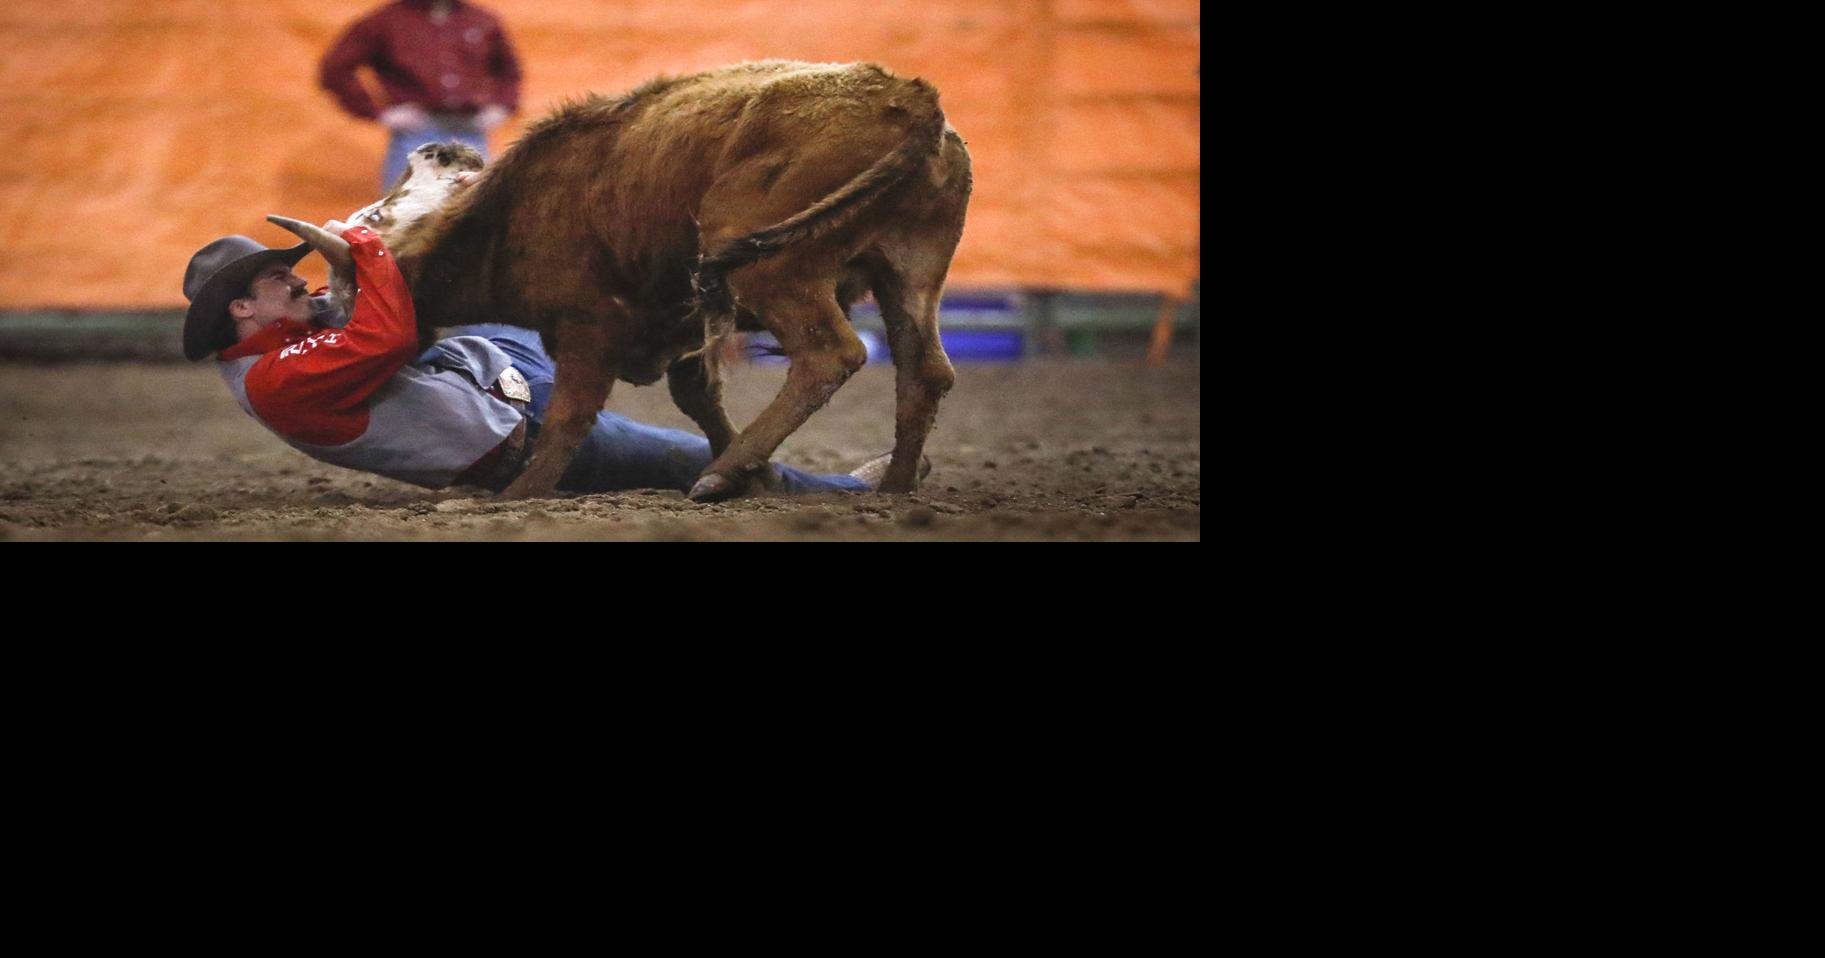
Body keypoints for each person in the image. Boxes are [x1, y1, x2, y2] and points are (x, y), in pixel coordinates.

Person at [178, 223, 906, 497]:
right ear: (242, 309)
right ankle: (846, 491)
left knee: (539, 287)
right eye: (279, 279)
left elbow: (383, 333)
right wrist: (368, 245)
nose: (296, 279)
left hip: (500, 375)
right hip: (517, 441)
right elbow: (387, 338)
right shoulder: (275, 379)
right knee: (691, 462)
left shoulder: (281, 353)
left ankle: (677, 320)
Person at [318, 0, 523, 190]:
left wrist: (503, 106)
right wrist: (378, 113)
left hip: (470, 130)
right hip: (417, 132)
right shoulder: (387, 21)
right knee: (402, 215)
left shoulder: (481, 20)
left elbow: (509, 70)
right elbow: (336, 68)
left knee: (476, 209)